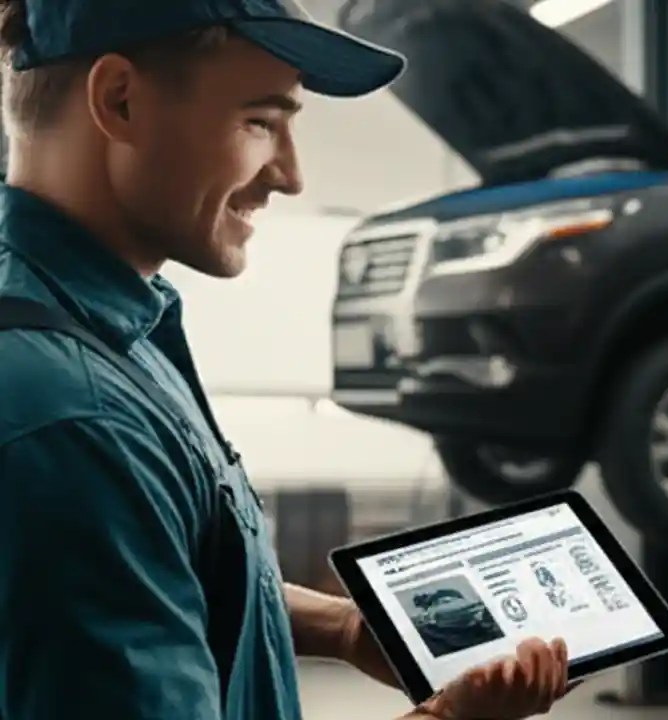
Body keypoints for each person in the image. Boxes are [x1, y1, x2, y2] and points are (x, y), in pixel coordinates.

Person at [0, 1, 568, 719]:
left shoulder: (93, 321)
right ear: (121, 100)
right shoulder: (72, 423)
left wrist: (345, 626)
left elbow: (160, 558)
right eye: (261, 122)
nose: (291, 176)